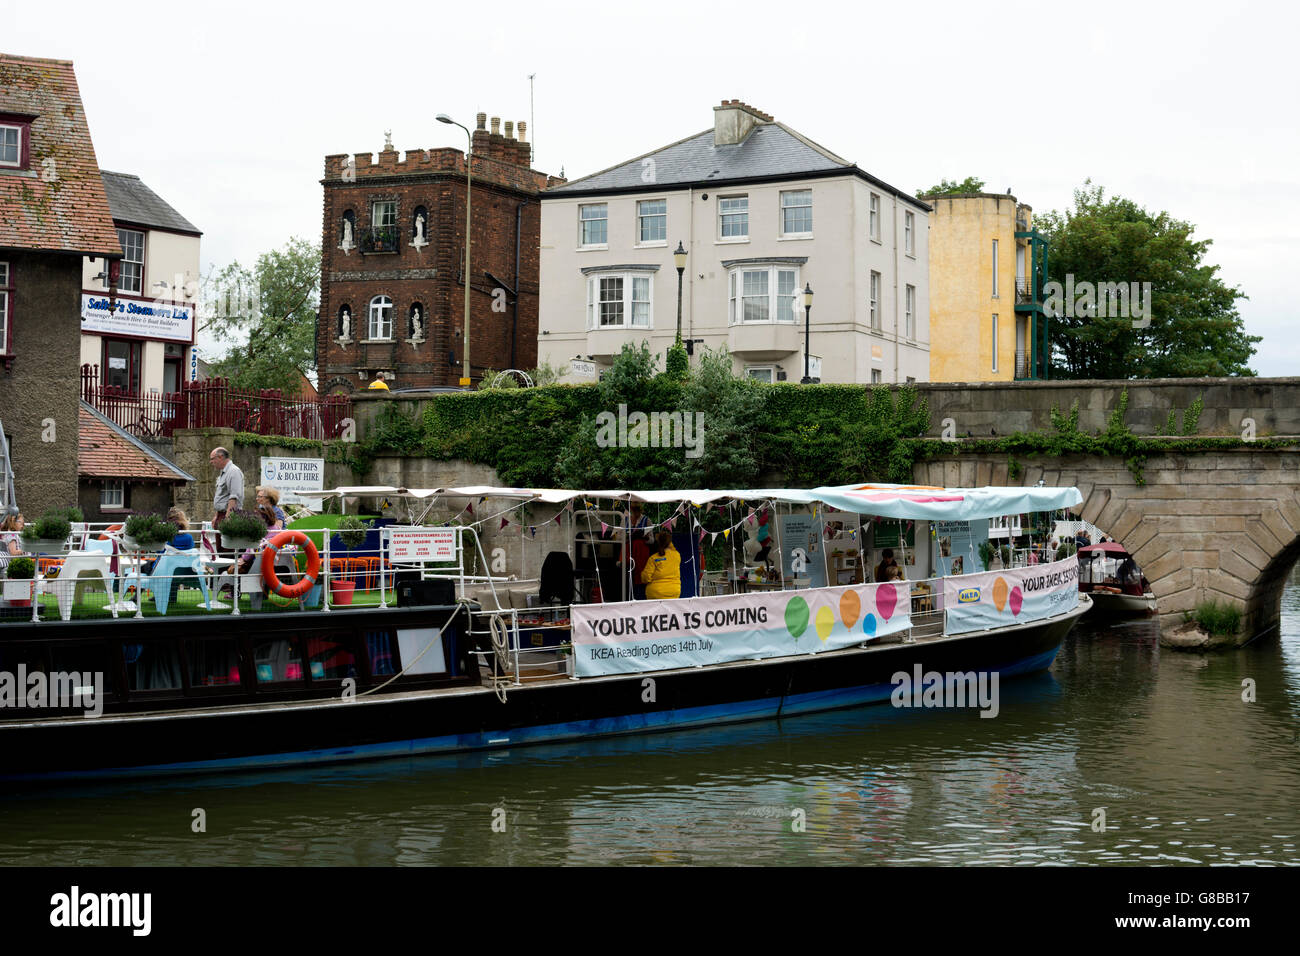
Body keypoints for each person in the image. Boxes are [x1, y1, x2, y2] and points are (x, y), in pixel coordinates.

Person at [641, 531, 681, 600]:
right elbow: (672, 549)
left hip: (655, 593)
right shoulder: (677, 555)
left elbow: (646, 577)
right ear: (670, 542)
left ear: (658, 542)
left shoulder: (653, 558)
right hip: (674, 591)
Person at [209, 447, 245, 525]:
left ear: (221, 457)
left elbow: (234, 497)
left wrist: (228, 518)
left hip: (230, 515)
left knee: (227, 537)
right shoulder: (223, 472)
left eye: (212, 459)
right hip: (221, 515)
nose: (211, 462)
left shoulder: (233, 471)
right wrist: (216, 515)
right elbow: (222, 496)